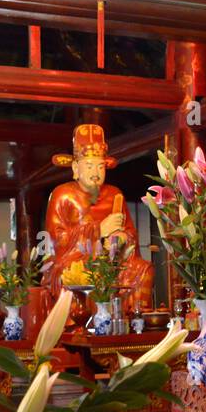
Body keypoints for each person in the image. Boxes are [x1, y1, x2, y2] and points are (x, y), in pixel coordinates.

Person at [45, 124, 155, 312]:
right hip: (76, 261)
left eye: (100, 166)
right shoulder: (62, 195)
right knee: (79, 274)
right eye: (89, 166)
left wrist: (120, 239)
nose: (95, 173)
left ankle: (132, 317)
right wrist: (98, 230)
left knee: (142, 269)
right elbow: (58, 239)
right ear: (75, 168)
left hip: (111, 261)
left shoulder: (114, 194)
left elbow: (130, 235)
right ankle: (85, 321)